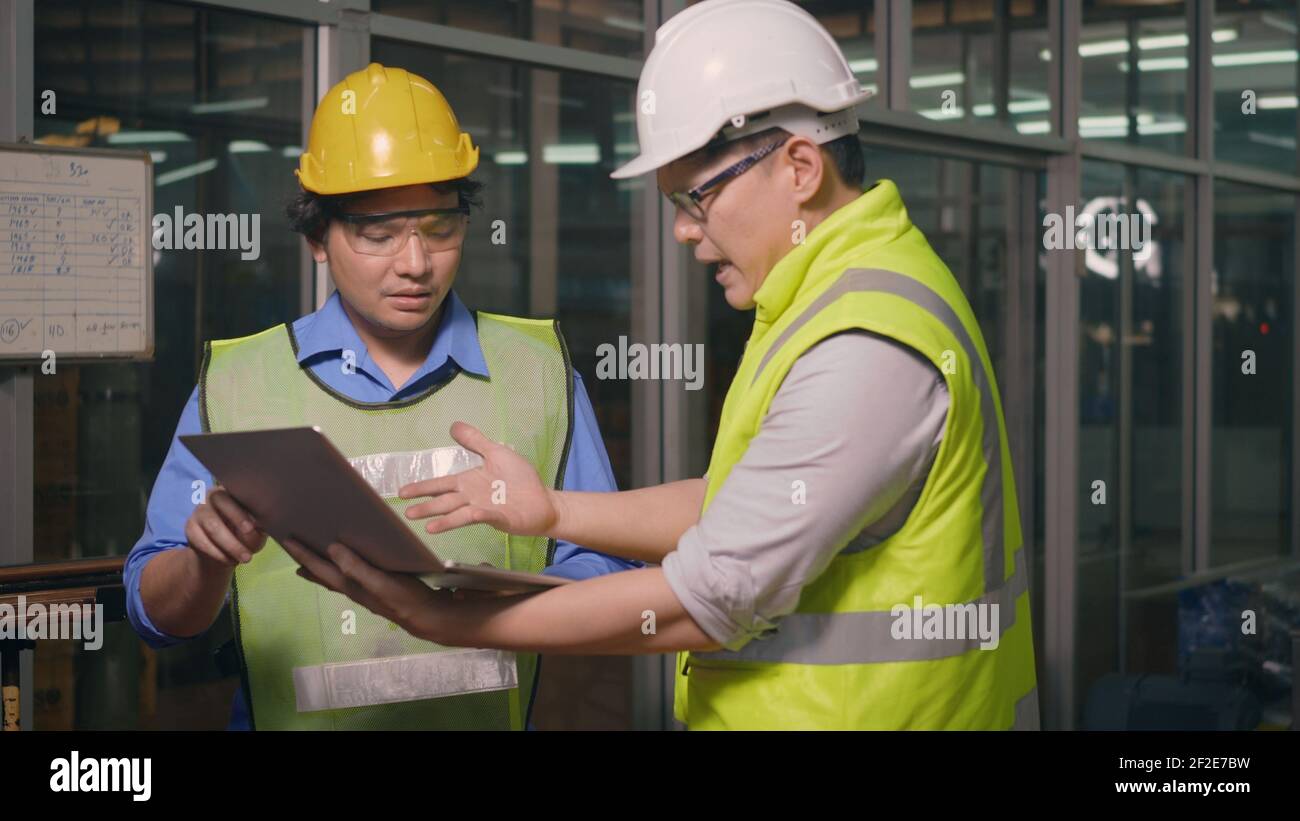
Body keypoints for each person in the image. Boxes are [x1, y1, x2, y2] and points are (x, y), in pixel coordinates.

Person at [282, 0, 1039, 730]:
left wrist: (446, 620)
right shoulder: (837, 293)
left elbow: (714, 593)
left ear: (801, 167)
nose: (682, 230)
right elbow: (751, 502)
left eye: (694, 199)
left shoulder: (863, 342)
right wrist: (558, 513)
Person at [123, 63, 637, 730]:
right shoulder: (238, 384)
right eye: (378, 234)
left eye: (440, 226)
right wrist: (205, 563)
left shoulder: (536, 372)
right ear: (317, 238)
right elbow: (156, 618)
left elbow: (612, 581)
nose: (416, 263)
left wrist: (499, 609)